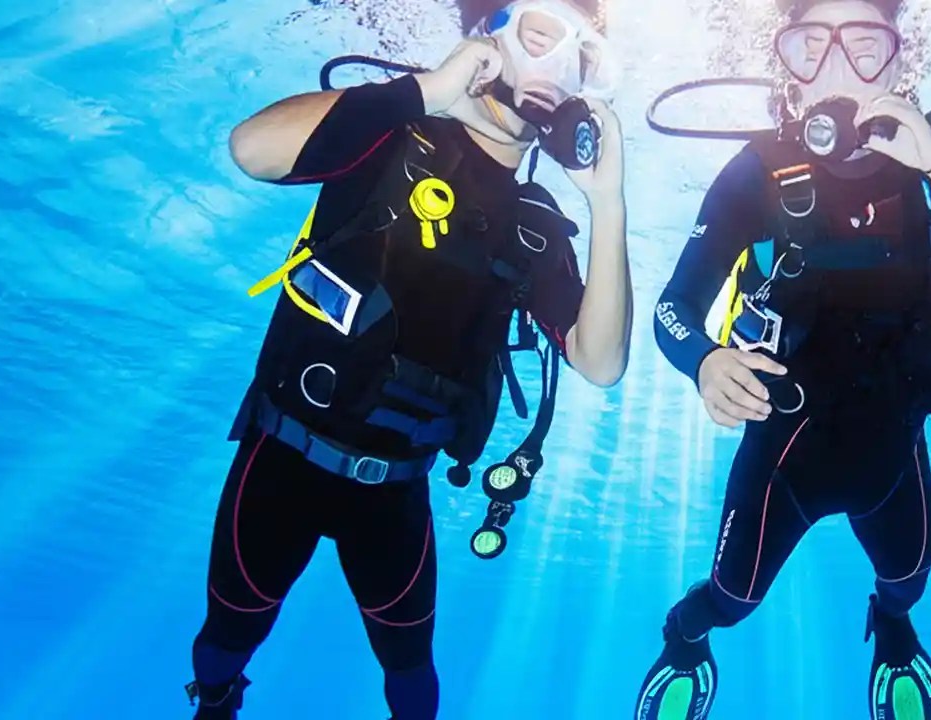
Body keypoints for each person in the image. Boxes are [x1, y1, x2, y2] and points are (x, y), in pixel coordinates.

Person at [185, 1, 631, 718]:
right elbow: (251, 149)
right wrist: (423, 91)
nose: (557, 66)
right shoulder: (386, 133)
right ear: (486, 37)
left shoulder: (539, 227)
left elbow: (601, 361)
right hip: (282, 462)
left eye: (583, 55)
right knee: (226, 641)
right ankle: (214, 700)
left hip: (395, 494)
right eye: (541, 34)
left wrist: (608, 203)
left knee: (413, 681)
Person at [636, 0, 931, 718]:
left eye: (865, 44)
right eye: (810, 46)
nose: (837, 67)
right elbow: (674, 305)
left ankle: (890, 630)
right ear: (787, 69)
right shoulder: (757, 173)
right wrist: (705, 361)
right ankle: (684, 635)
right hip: (783, 448)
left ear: (901, 59)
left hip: (894, 442)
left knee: (907, 582)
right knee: (733, 599)